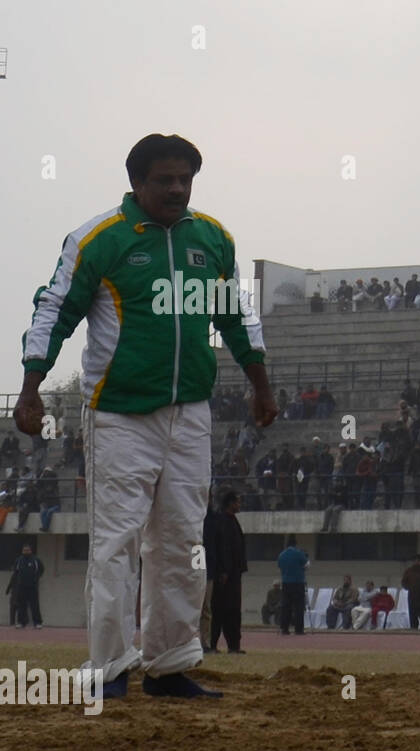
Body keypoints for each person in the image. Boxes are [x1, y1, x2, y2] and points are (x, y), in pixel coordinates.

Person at [17, 133, 275, 699]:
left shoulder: (213, 239)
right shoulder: (98, 239)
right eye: (165, 179)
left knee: (184, 540)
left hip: (192, 414)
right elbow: (54, 308)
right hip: (120, 414)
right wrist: (31, 385)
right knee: (117, 542)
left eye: (185, 179)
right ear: (136, 182)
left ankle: (170, 663)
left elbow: (237, 317)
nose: (177, 189)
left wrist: (261, 383)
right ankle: (107, 668)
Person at [209, 489, 247, 654]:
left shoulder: (233, 521)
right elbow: (223, 547)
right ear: (230, 503)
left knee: (233, 610)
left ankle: (234, 645)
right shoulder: (222, 521)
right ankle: (212, 644)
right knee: (219, 610)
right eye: (237, 501)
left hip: (234, 574)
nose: (239, 504)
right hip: (225, 575)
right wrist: (223, 570)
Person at [277, 534, 310, 635]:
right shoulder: (298, 553)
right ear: (295, 544)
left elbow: (280, 567)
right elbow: (307, 565)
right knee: (298, 607)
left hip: (286, 583)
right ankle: (298, 629)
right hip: (297, 582)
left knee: (286, 606)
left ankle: (284, 628)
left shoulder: (281, 555)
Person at [200, 499, 220, 652]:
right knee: (197, 607)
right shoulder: (196, 516)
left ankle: (205, 642)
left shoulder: (213, 518)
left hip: (208, 565)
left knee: (206, 607)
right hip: (199, 559)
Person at [11, 543, 44, 629]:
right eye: (24, 550)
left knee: (35, 605)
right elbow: (15, 572)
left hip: (32, 587)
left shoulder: (36, 560)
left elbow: (41, 570)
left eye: (27, 550)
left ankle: (37, 623)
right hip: (21, 587)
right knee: (21, 605)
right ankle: (21, 622)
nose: (26, 552)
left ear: (30, 551)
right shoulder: (18, 560)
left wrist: (36, 579)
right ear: (22, 551)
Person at [401, 557, 420, 630]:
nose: (417, 562)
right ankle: (413, 629)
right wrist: (409, 588)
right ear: (413, 562)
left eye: (418, 561)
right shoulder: (409, 571)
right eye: (415, 561)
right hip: (412, 595)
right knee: (413, 614)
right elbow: (404, 582)